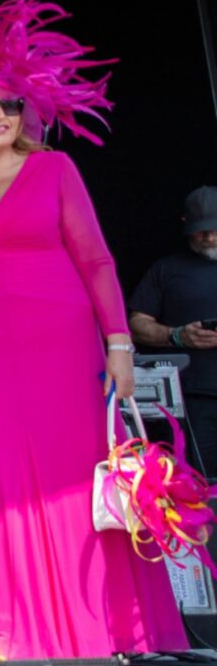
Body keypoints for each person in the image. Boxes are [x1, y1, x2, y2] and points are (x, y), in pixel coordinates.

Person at [0, 0, 186, 660]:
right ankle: (6, 629)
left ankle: (101, 626)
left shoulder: (57, 169)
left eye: (11, 103)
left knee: (75, 474)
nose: (0, 114)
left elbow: (96, 259)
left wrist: (120, 342)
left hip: (64, 342)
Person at [128, 185, 217, 472]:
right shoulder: (166, 269)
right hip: (193, 399)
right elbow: (136, 324)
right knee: (200, 484)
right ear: (186, 226)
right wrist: (177, 335)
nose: (209, 237)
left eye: (215, 228)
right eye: (201, 230)